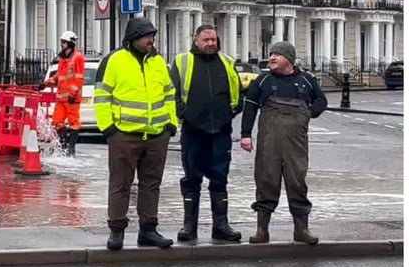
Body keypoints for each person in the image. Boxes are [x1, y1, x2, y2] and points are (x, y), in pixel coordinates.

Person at [93, 16, 178, 250]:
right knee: (120, 184)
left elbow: (169, 93)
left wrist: (171, 123)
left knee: (151, 184)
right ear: (134, 38)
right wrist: (109, 129)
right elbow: (101, 97)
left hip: (156, 135)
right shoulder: (115, 61)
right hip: (124, 134)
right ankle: (117, 231)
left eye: (153, 35)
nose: (152, 40)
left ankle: (148, 230)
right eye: (147, 36)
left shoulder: (158, 61)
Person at [239, 42, 327, 244]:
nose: (272, 58)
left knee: (297, 182)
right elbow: (250, 108)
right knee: (266, 181)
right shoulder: (263, 81)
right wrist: (245, 135)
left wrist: (309, 112)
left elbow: (321, 101)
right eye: (271, 54)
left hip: (296, 144)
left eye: (277, 54)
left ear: (289, 58)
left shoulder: (307, 80)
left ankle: (301, 230)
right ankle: (262, 230)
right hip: (268, 143)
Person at [170, 24, 243, 243]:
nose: (211, 43)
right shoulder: (183, 62)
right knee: (192, 179)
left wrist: (231, 110)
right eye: (206, 40)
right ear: (196, 41)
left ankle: (221, 225)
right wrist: (184, 115)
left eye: (213, 39)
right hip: (193, 131)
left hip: (220, 131)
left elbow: (237, 91)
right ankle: (189, 226)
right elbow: (172, 93)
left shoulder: (227, 62)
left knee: (220, 178)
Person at [44, 30, 85, 155]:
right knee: (57, 122)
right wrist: (47, 82)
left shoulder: (78, 58)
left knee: (74, 122)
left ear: (70, 43)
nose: (61, 44)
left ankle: (71, 149)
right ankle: (63, 147)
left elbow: (79, 77)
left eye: (64, 42)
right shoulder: (63, 58)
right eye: (61, 42)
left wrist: (73, 94)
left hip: (72, 98)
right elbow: (60, 75)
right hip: (61, 97)